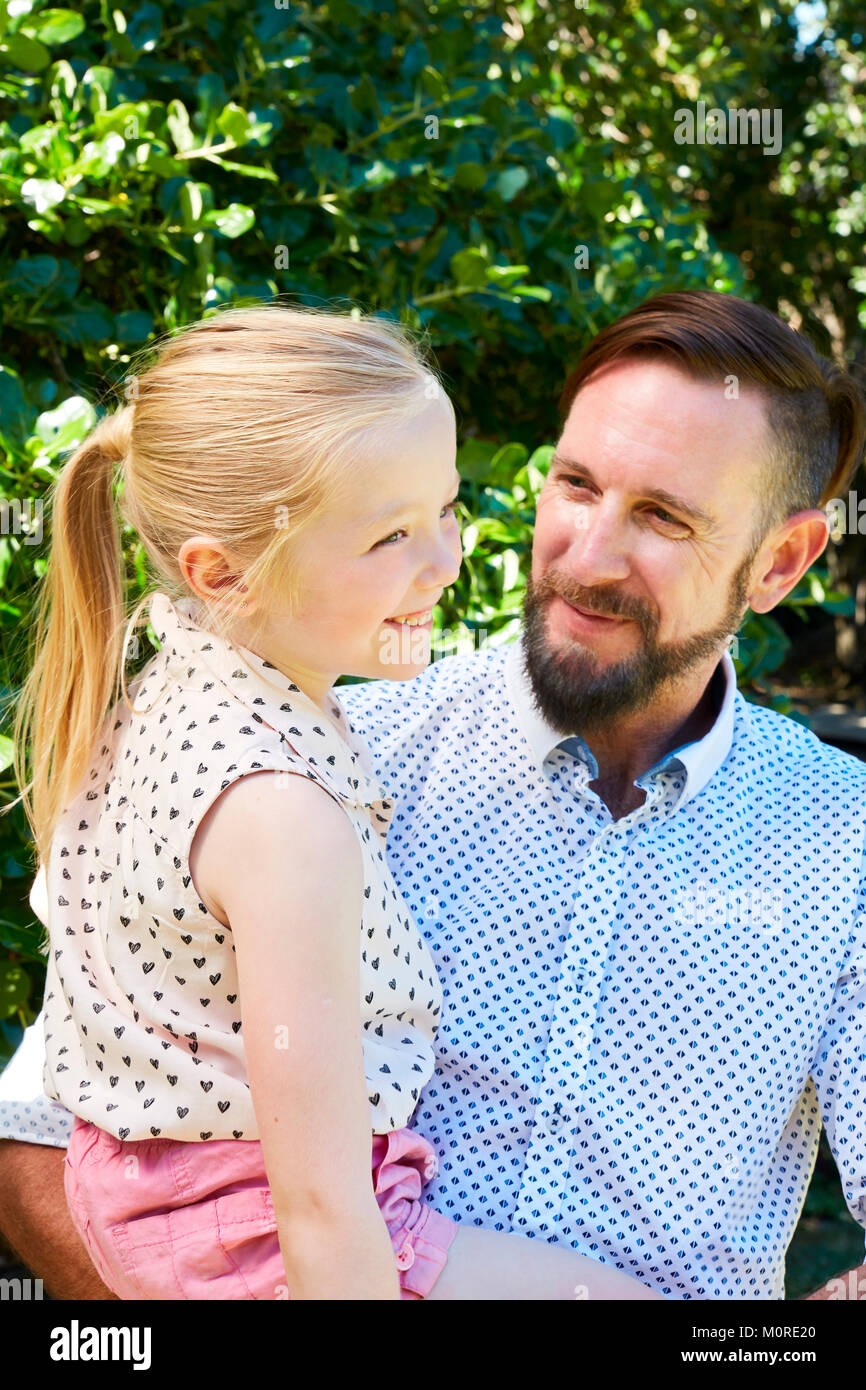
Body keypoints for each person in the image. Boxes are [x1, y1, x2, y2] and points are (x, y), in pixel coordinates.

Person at [2, 289, 865, 1300]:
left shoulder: (842, 842)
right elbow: (43, 1136)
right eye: (575, 485)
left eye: (662, 517)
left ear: (779, 560)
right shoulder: (310, 769)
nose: (586, 557)